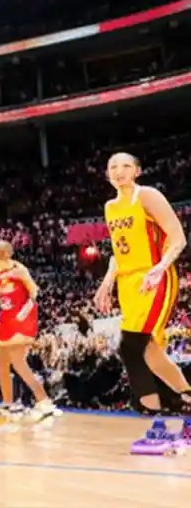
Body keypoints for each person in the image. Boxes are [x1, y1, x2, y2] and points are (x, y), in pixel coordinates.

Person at [96, 152, 190, 454]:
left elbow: (178, 237)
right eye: (113, 166)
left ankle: (158, 426)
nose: (119, 171)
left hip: (155, 275)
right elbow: (117, 251)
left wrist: (160, 268)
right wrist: (108, 279)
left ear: (137, 170)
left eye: (125, 166)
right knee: (149, 353)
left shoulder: (148, 196)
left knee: (132, 347)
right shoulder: (111, 207)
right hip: (127, 282)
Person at [0, 240, 60, 425]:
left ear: (8, 252)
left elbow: (34, 291)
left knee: (18, 362)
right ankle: (9, 404)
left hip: (21, 318)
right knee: (2, 362)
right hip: (6, 320)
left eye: (1, 250)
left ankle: (45, 401)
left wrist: (24, 313)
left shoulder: (19, 269)